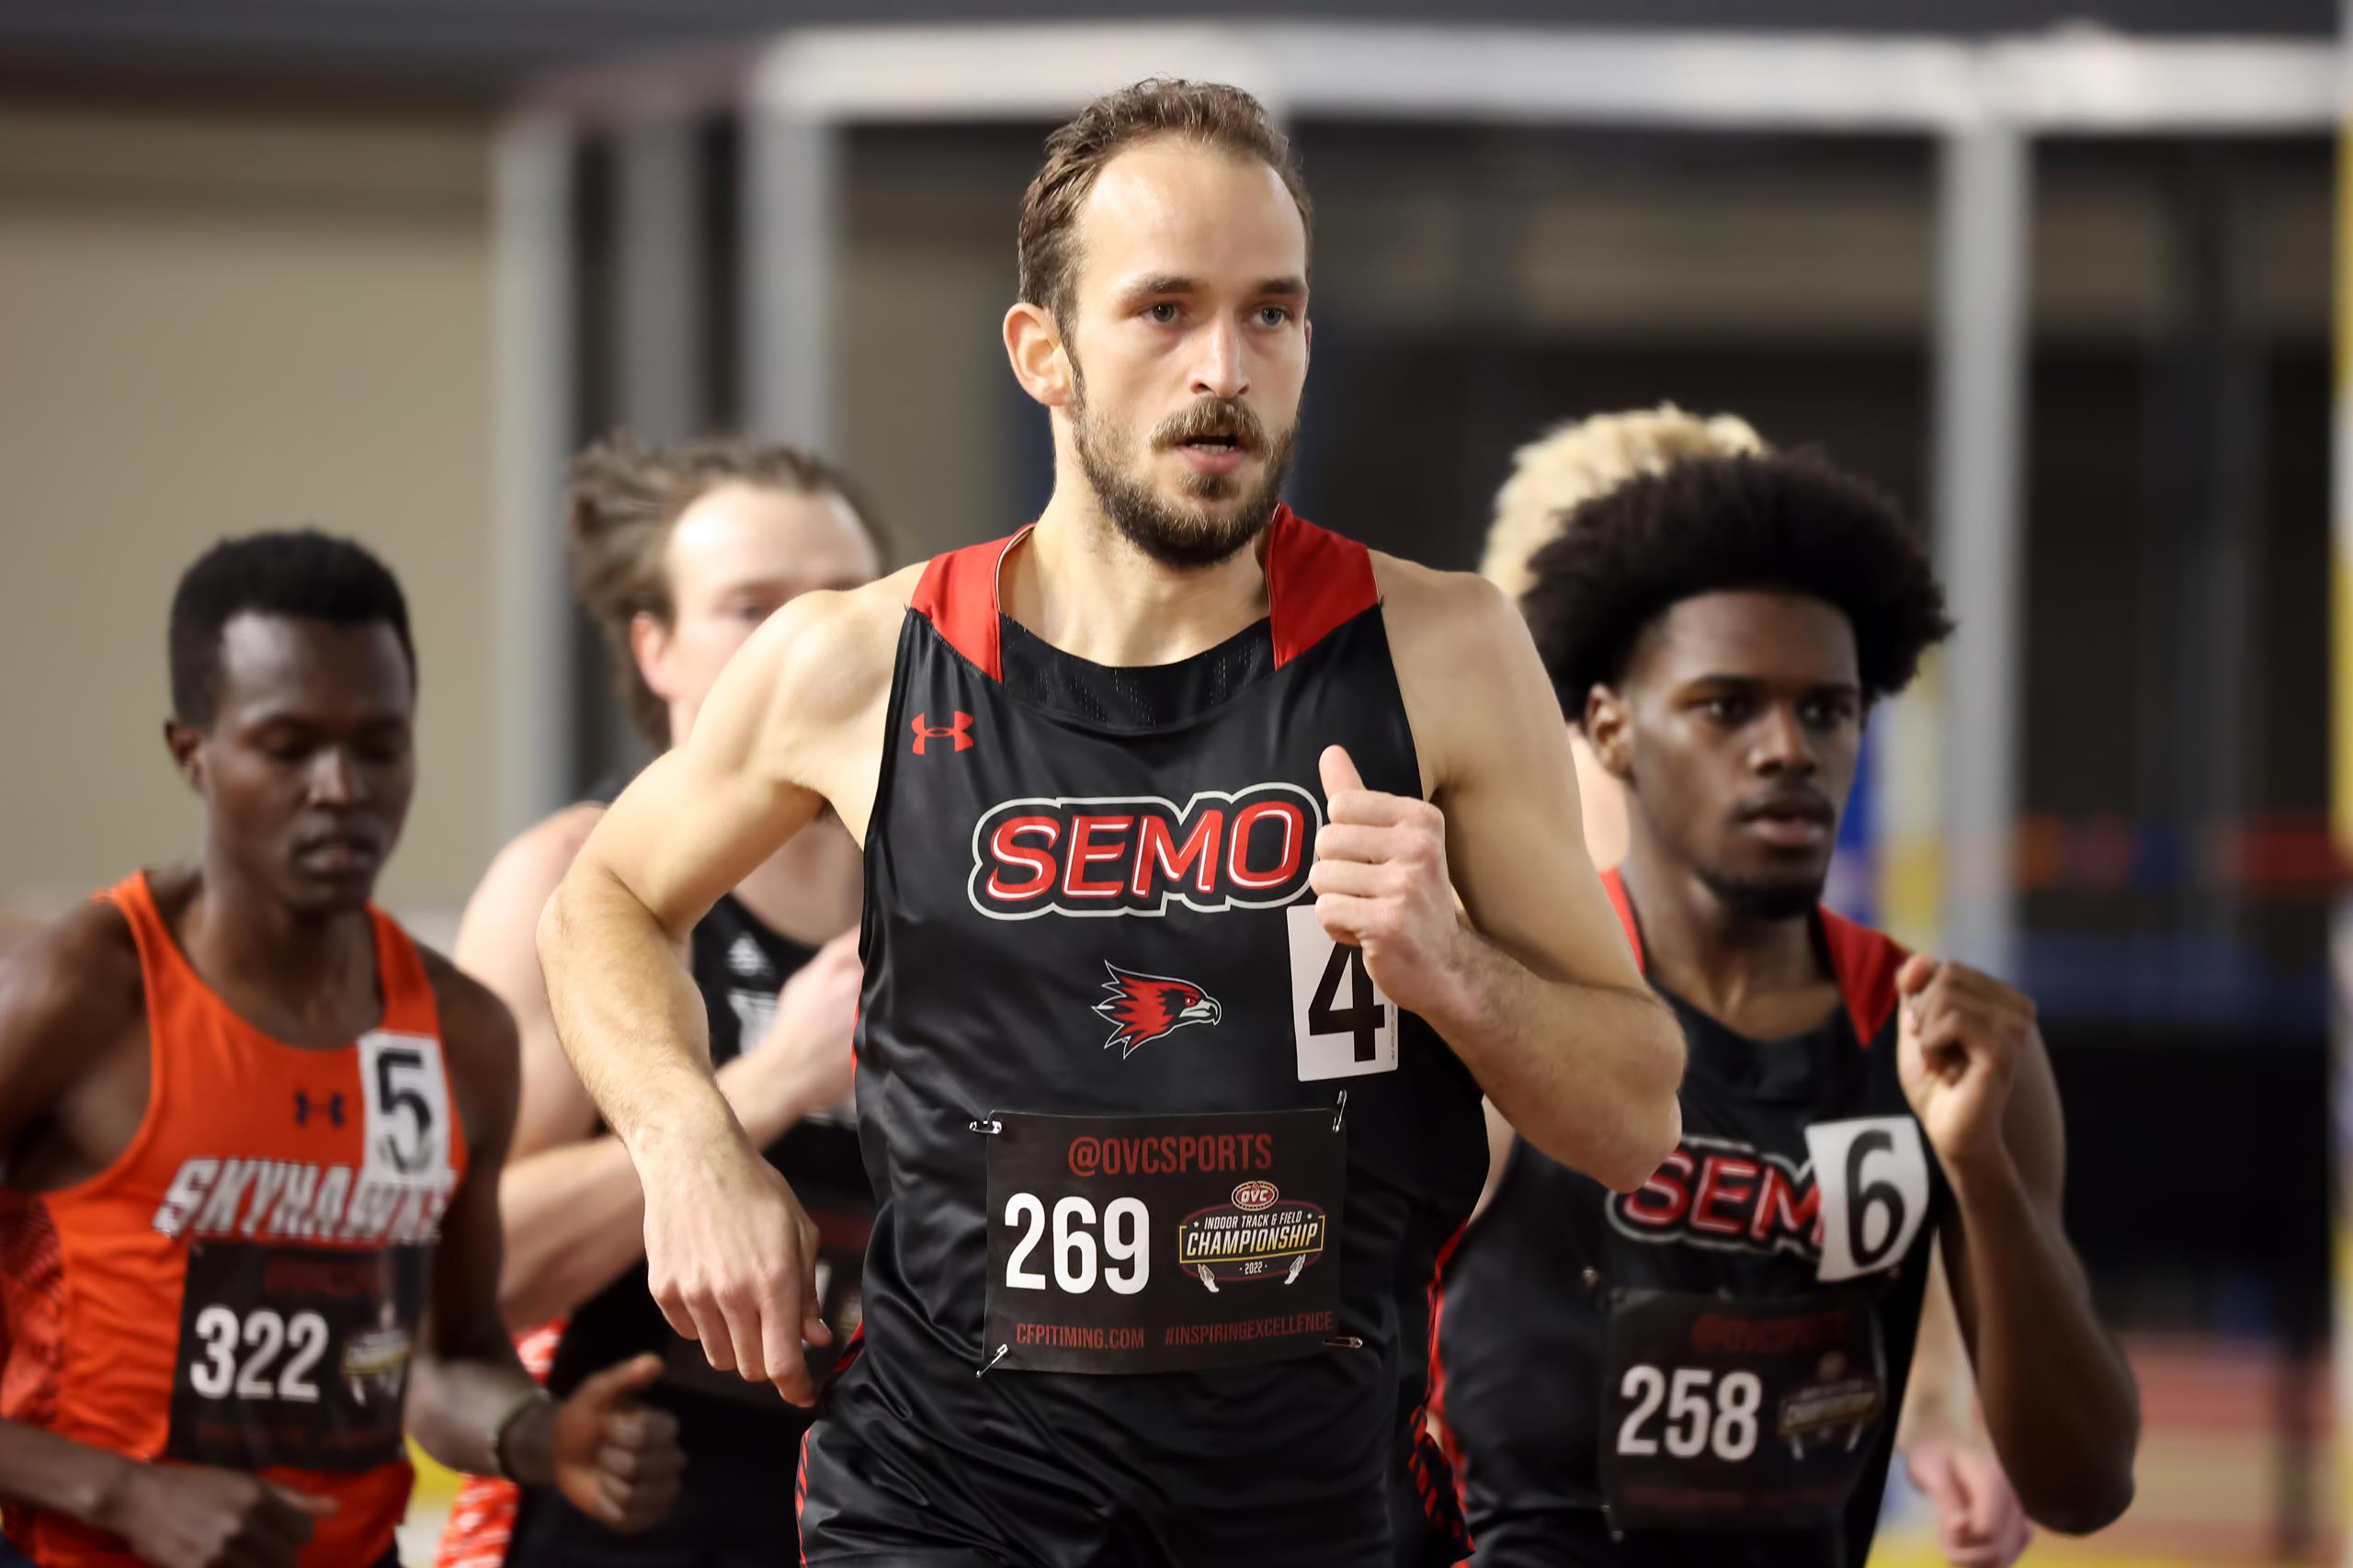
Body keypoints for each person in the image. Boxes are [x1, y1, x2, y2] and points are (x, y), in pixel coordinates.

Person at [537, 77, 1687, 1567]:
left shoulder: (1443, 651)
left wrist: (1459, 970)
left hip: (1311, 1517)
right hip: (944, 1513)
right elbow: (605, 899)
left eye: (1270, 313)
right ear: (1046, 353)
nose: (1224, 366)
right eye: (1164, 311)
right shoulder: (863, 658)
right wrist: (688, 1142)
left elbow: (1636, 1112)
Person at [1428, 451, 2140, 1566]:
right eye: (1726, 707)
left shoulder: (1945, 1045)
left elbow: (2085, 1483)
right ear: (1611, 730)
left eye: (1827, 709)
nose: (1786, 748)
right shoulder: (1508, 999)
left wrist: (1982, 1177)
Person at [0, 531, 683, 1567]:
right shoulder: (85, 987)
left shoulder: (457, 1033)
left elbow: (442, 1358)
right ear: (194, 751)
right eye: (288, 745)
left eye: (378, 745)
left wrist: (543, 1436)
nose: (340, 787)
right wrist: (125, 1492)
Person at [436, 436, 881, 1568]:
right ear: (658, 649)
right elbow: (462, 1274)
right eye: (751, 607)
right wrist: (764, 1084)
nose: (803, 643)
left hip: (894, 1517)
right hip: (634, 1516)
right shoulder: (572, 883)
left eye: (838, 600)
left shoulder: (960, 879)